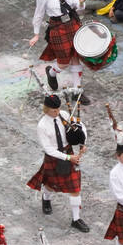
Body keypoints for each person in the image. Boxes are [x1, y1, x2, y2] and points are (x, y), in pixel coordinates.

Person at [27, 94, 88, 232]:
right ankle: (46, 197)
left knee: (75, 188)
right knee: (50, 185)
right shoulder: (42, 125)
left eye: (58, 109)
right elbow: (48, 149)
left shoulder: (64, 115)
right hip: (54, 157)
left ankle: (76, 219)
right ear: (46, 109)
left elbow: (80, 126)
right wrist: (68, 158)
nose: (57, 112)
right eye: (54, 110)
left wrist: (83, 142)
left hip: (68, 152)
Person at [29, 0, 87, 102]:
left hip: (73, 23)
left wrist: (81, 0)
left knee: (76, 57)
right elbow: (39, 14)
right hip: (57, 27)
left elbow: (77, 7)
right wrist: (36, 33)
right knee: (63, 62)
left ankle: (77, 90)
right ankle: (52, 72)